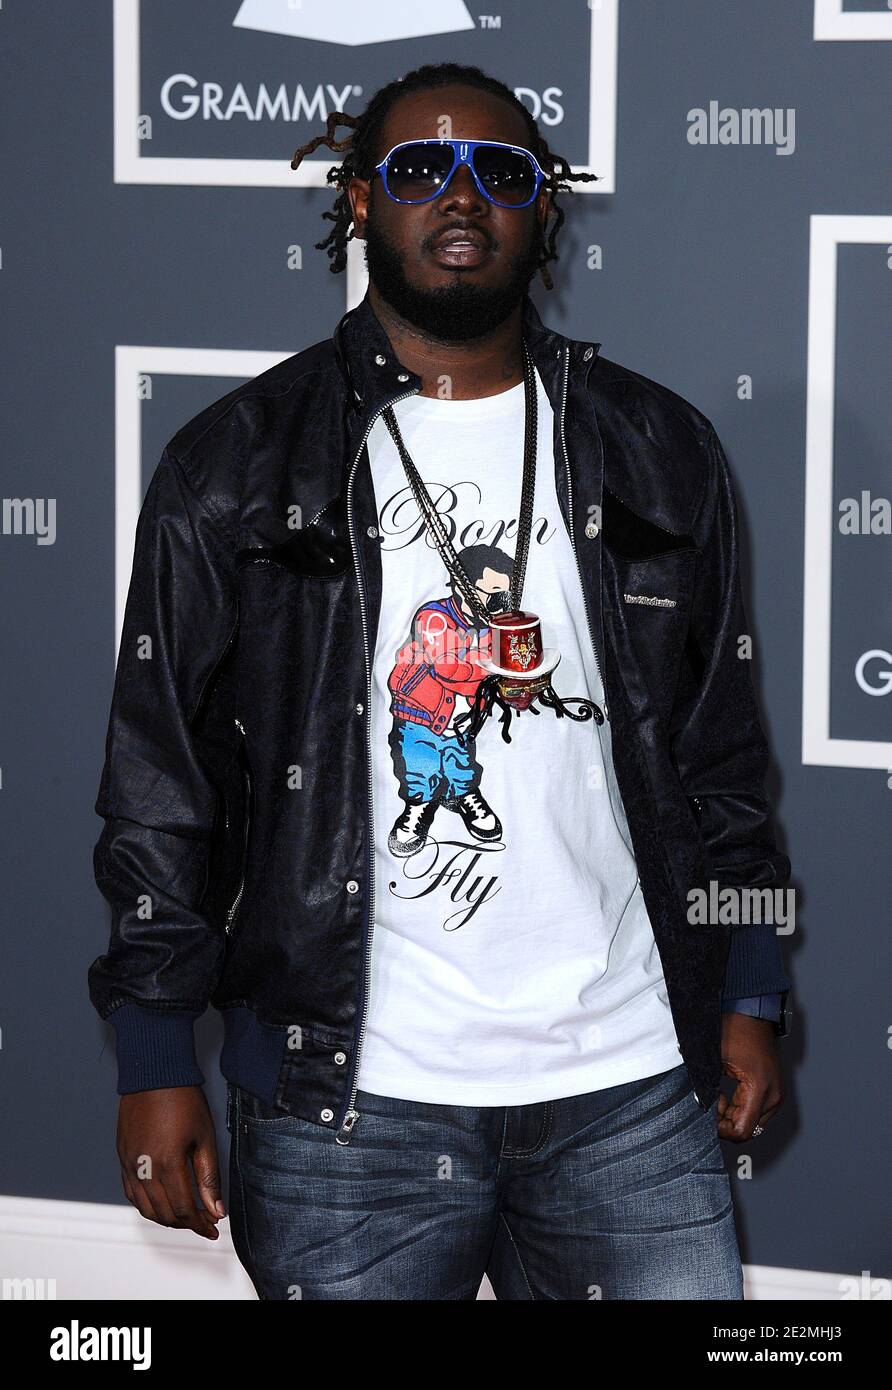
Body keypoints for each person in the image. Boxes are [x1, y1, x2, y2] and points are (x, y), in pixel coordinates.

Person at [88, 61, 793, 1300]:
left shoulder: (659, 449)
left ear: (541, 210)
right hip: (344, 1109)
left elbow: (720, 762)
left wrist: (749, 991)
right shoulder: (236, 465)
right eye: (419, 167)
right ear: (361, 201)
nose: (459, 195)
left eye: (498, 172)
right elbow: (164, 783)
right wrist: (154, 1055)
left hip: (629, 1085)